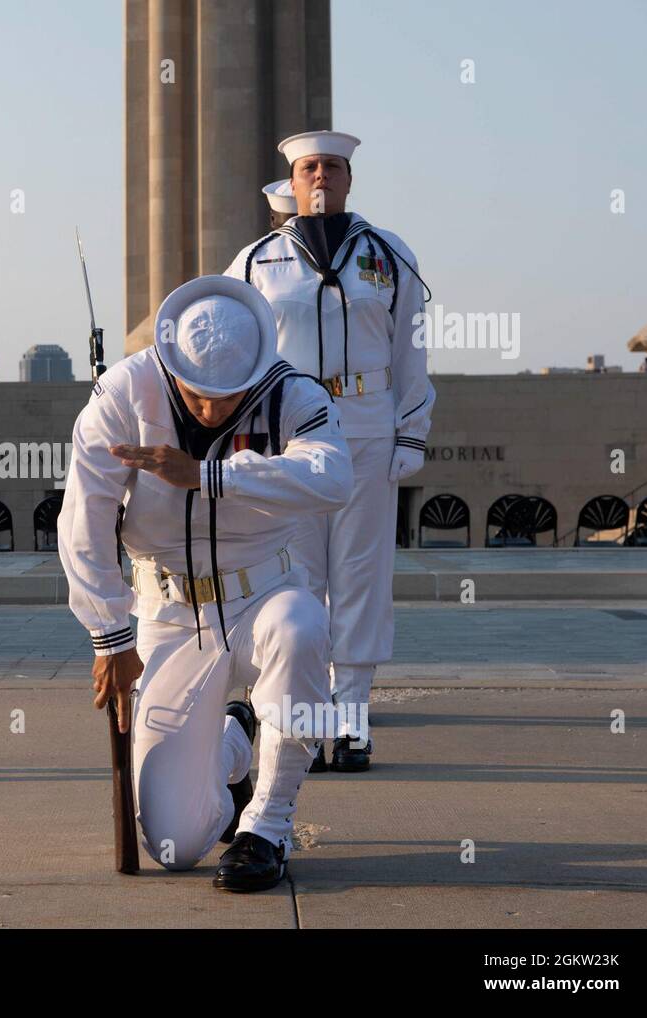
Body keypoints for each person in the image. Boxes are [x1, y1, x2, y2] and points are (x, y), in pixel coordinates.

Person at [57, 275, 352, 891]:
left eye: (229, 396)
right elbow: (82, 519)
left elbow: (333, 478)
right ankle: (233, 744)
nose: (214, 410)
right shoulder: (122, 393)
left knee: (304, 628)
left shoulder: (288, 388)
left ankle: (266, 828)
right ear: (170, 362)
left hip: (264, 594)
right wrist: (109, 637)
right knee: (174, 844)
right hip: (169, 614)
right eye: (198, 395)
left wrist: (213, 475)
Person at [228, 130, 436, 772]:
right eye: (309, 167)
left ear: (349, 180)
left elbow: (411, 351)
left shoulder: (388, 256)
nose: (320, 176)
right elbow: (236, 356)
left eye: (333, 167)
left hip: (368, 426)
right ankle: (310, 718)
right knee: (297, 574)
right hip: (292, 431)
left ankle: (352, 719)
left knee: (362, 573)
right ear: (291, 181)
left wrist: (411, 430)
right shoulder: (255, 261)